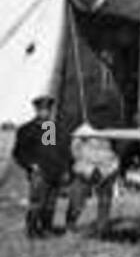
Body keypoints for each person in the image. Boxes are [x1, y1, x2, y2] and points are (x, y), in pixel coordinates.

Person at [11, 95, 71, 238]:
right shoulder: (26, 129)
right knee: (37, 202)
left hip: (55, 171)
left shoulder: (55, 129)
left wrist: (65, 169)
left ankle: (46, 228)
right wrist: (30, 165)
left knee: (51, 204)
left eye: (47, 110)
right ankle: (31, 230)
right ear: (36, 110)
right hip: (39, 172)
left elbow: (63, 150)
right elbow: (18, 152)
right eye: (42, 110)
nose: (45, 113)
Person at [67, 102, 122, 236]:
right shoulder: (82, 130)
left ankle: (102, 229)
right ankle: (70, 226)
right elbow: (75, 150)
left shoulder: (111, 129)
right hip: (85, 169)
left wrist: (113, 165)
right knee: (77, 199)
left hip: (107, 169)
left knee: (104, 201)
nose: (101, 118)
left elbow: (117, 148)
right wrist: (86, 167)